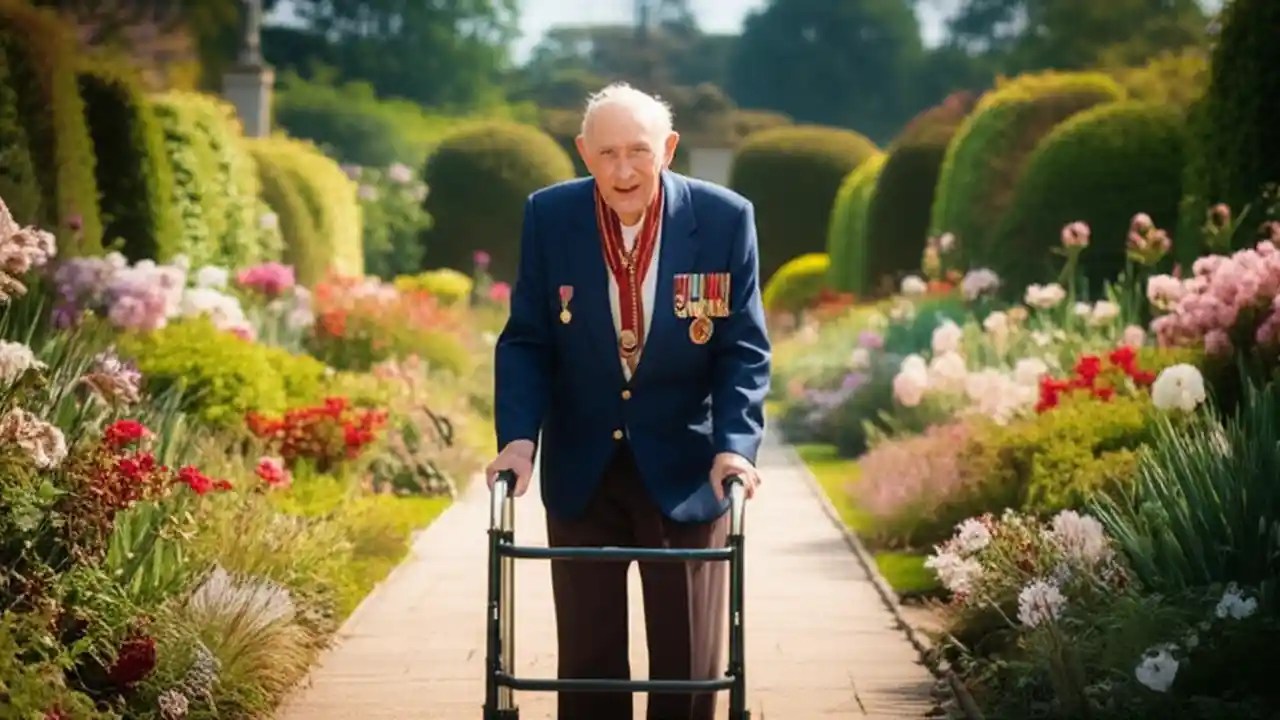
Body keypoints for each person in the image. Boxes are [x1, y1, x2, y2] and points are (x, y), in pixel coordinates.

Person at [487, 82, 771, 720]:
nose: (623, 170)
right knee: (587, 665)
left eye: (638, 151)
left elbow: (742, 349)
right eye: (607, 152)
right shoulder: (549, 216)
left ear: (668, 149)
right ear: (583, 153)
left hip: (687, 465)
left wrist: (734, 447)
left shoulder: (725, 218)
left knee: (689, 665)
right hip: (583, 467)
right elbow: (528, 340)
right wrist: (517, 439)